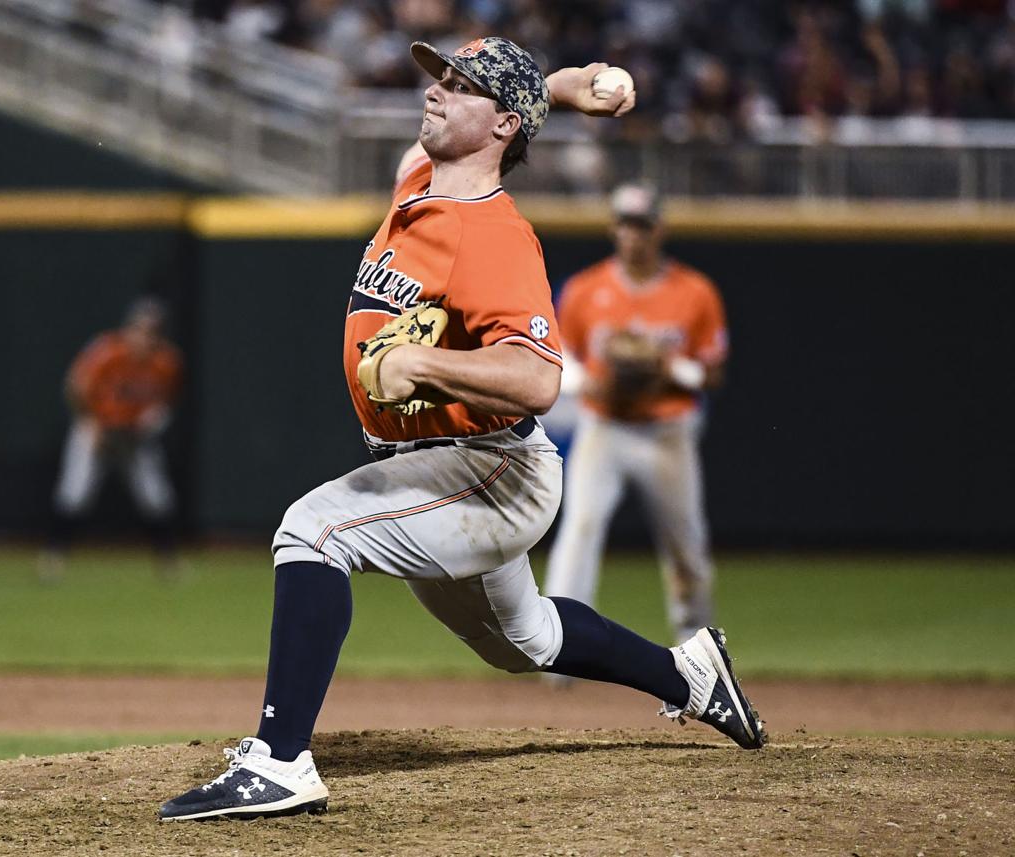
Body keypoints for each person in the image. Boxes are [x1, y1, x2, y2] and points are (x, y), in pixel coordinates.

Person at [158, 36, 764, 823]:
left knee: (311, 531)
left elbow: (538, 377)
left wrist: (429, 365)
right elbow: (499, 114)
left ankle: (279, 762)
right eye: (439, 74)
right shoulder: (423, 178)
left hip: (487, 468)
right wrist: (562, 87)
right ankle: (691, 675)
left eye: (460, 83)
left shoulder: (494, 235)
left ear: (502, 125)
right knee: (528, 641)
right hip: (443, 463)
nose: (437, 90)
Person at [544, 184, 729, 645]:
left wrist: (671, 368)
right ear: (613, 229)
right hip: (604, 427)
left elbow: (712, 373)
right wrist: (588, 381)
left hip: (667, 432)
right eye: (625, 225)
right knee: (579, 531)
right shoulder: (586, 290)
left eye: (642, 226)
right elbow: (562, 356)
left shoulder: (695, 291)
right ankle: (561, 645)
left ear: (659, 230)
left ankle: (700, 651)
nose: (633, 235)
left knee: (686, 546)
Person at [41, 296, 183, 580]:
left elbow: (166, 400)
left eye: (151, 331)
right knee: (75, 491)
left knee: (155, 496)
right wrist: (88, 421)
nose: (144, 336)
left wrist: (156, 417)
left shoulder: (166, 361)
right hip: (98, 430)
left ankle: (168, 562)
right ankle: (53, 558)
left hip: (133, 437)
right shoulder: (107, 351)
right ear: (128, 328)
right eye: (140, 329)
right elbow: (75, 385)